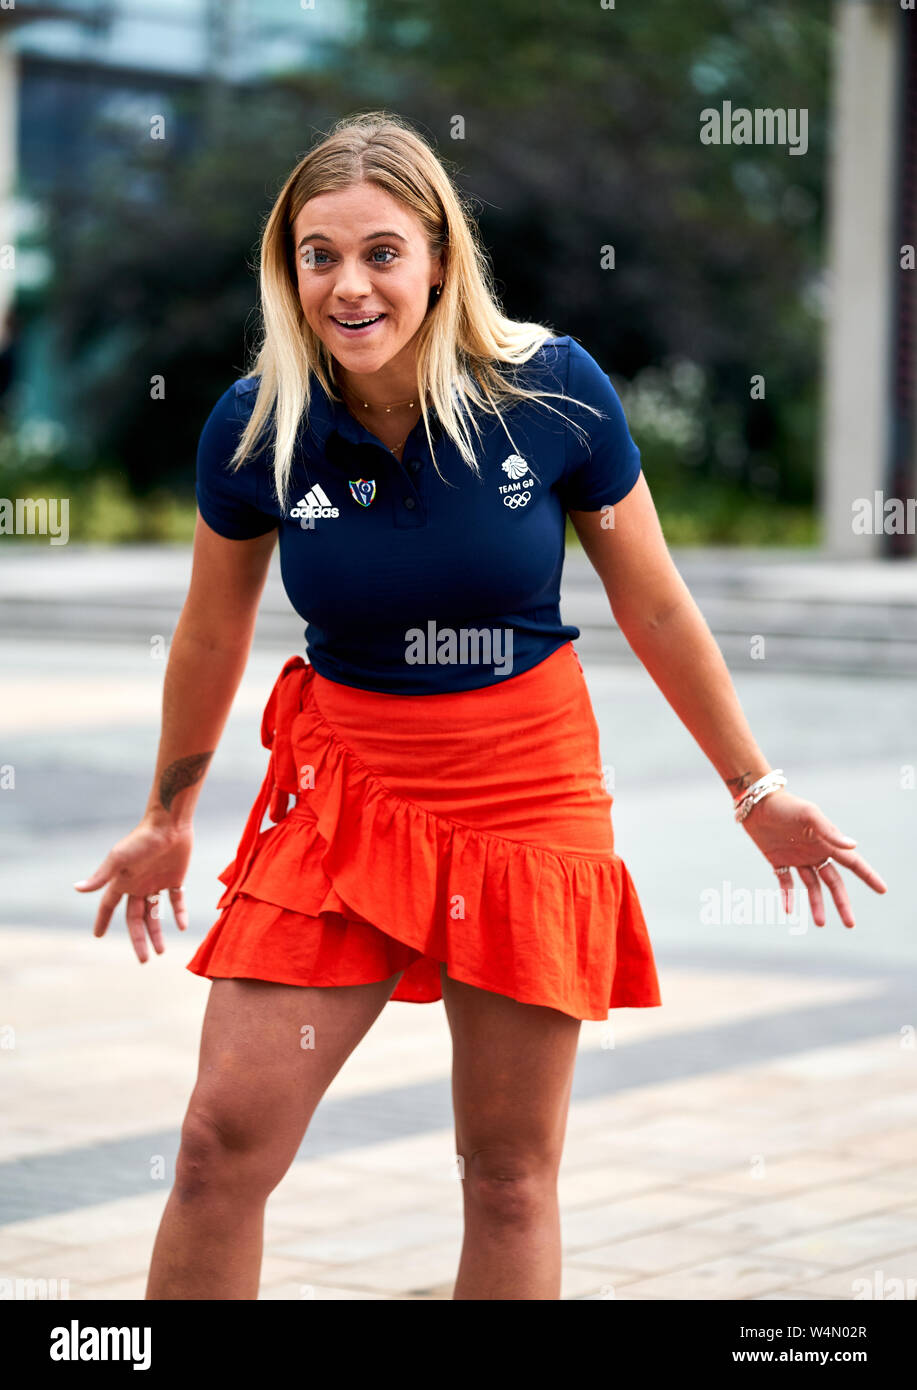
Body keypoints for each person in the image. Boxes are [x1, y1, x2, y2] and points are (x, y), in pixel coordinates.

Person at [73, 111, 887, 1301]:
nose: (347, 285)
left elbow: (654, 605)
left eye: (380, 252)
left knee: (506, 1174)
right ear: (285, 267)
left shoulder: (552, 394)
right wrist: (167, 814)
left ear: (441, 257)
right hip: (342, 790)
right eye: (318, 255)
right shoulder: (256, 424)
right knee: (215, 1146)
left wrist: (752, 789)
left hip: (524, 788)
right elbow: (210, 630)